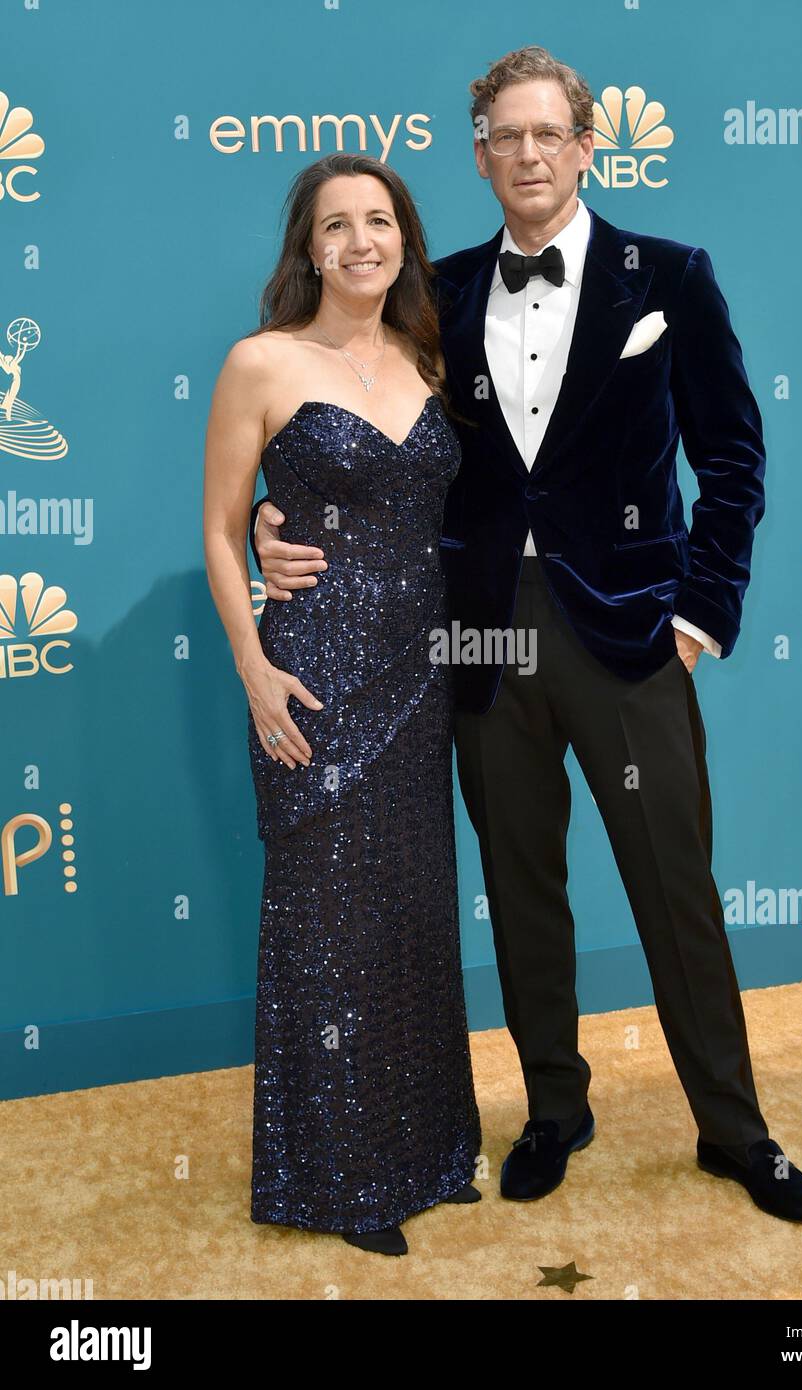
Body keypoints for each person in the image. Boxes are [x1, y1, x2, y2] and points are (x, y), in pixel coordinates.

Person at [250, 47, 802, 1224]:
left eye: (545, 135)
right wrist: (277, 519)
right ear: (479, 155)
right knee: (521, 887)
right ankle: (555, 1109)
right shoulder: (436, 298)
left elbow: (733, 456)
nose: (525, 155)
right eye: (502, 137)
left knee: (676, 889)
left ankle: (736, 1131)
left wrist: (703, 609)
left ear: (584, 145)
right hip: (474, 644)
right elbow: (363, 432)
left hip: (628, 635)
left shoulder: (669, 275)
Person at [203, 152, 482, 1258]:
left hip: (420, 679)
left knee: (409, 916)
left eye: (381, 220)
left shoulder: (431, 354)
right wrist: (252, 665)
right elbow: (227, 531)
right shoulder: (260, 362)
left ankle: (428, 1151)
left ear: (404, 237)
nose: (362, 240)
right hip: (312, 674)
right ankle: (339, 1177)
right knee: (325, 926)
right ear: (308, 248)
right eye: (337, 226)